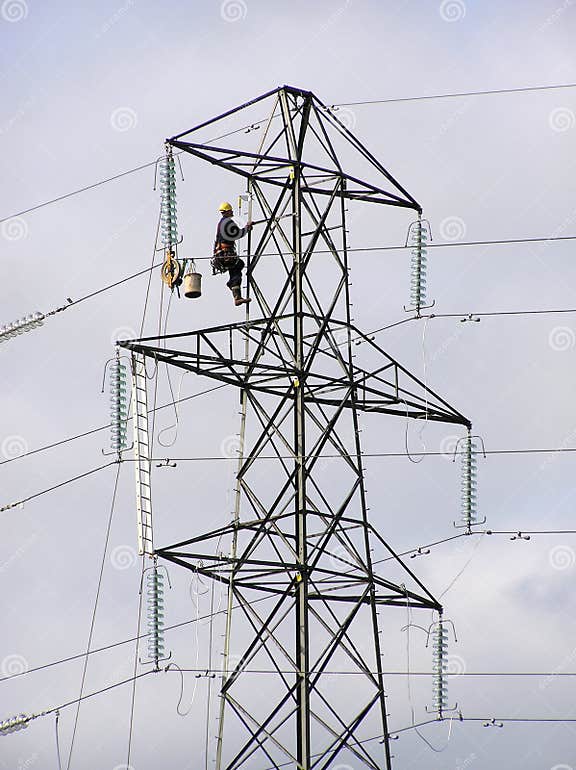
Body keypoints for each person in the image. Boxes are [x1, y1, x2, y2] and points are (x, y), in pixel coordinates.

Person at [211, 202, 253, 306]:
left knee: (236, 268)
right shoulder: (227, 222)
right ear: (228, 211)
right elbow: (238, 233)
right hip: (226, 254)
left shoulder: (222, 222)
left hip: (222, 255)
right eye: (231, 210)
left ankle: (235, 293)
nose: (232, 212)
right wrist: (247, 228)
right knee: (238, 266)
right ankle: (234, 289)